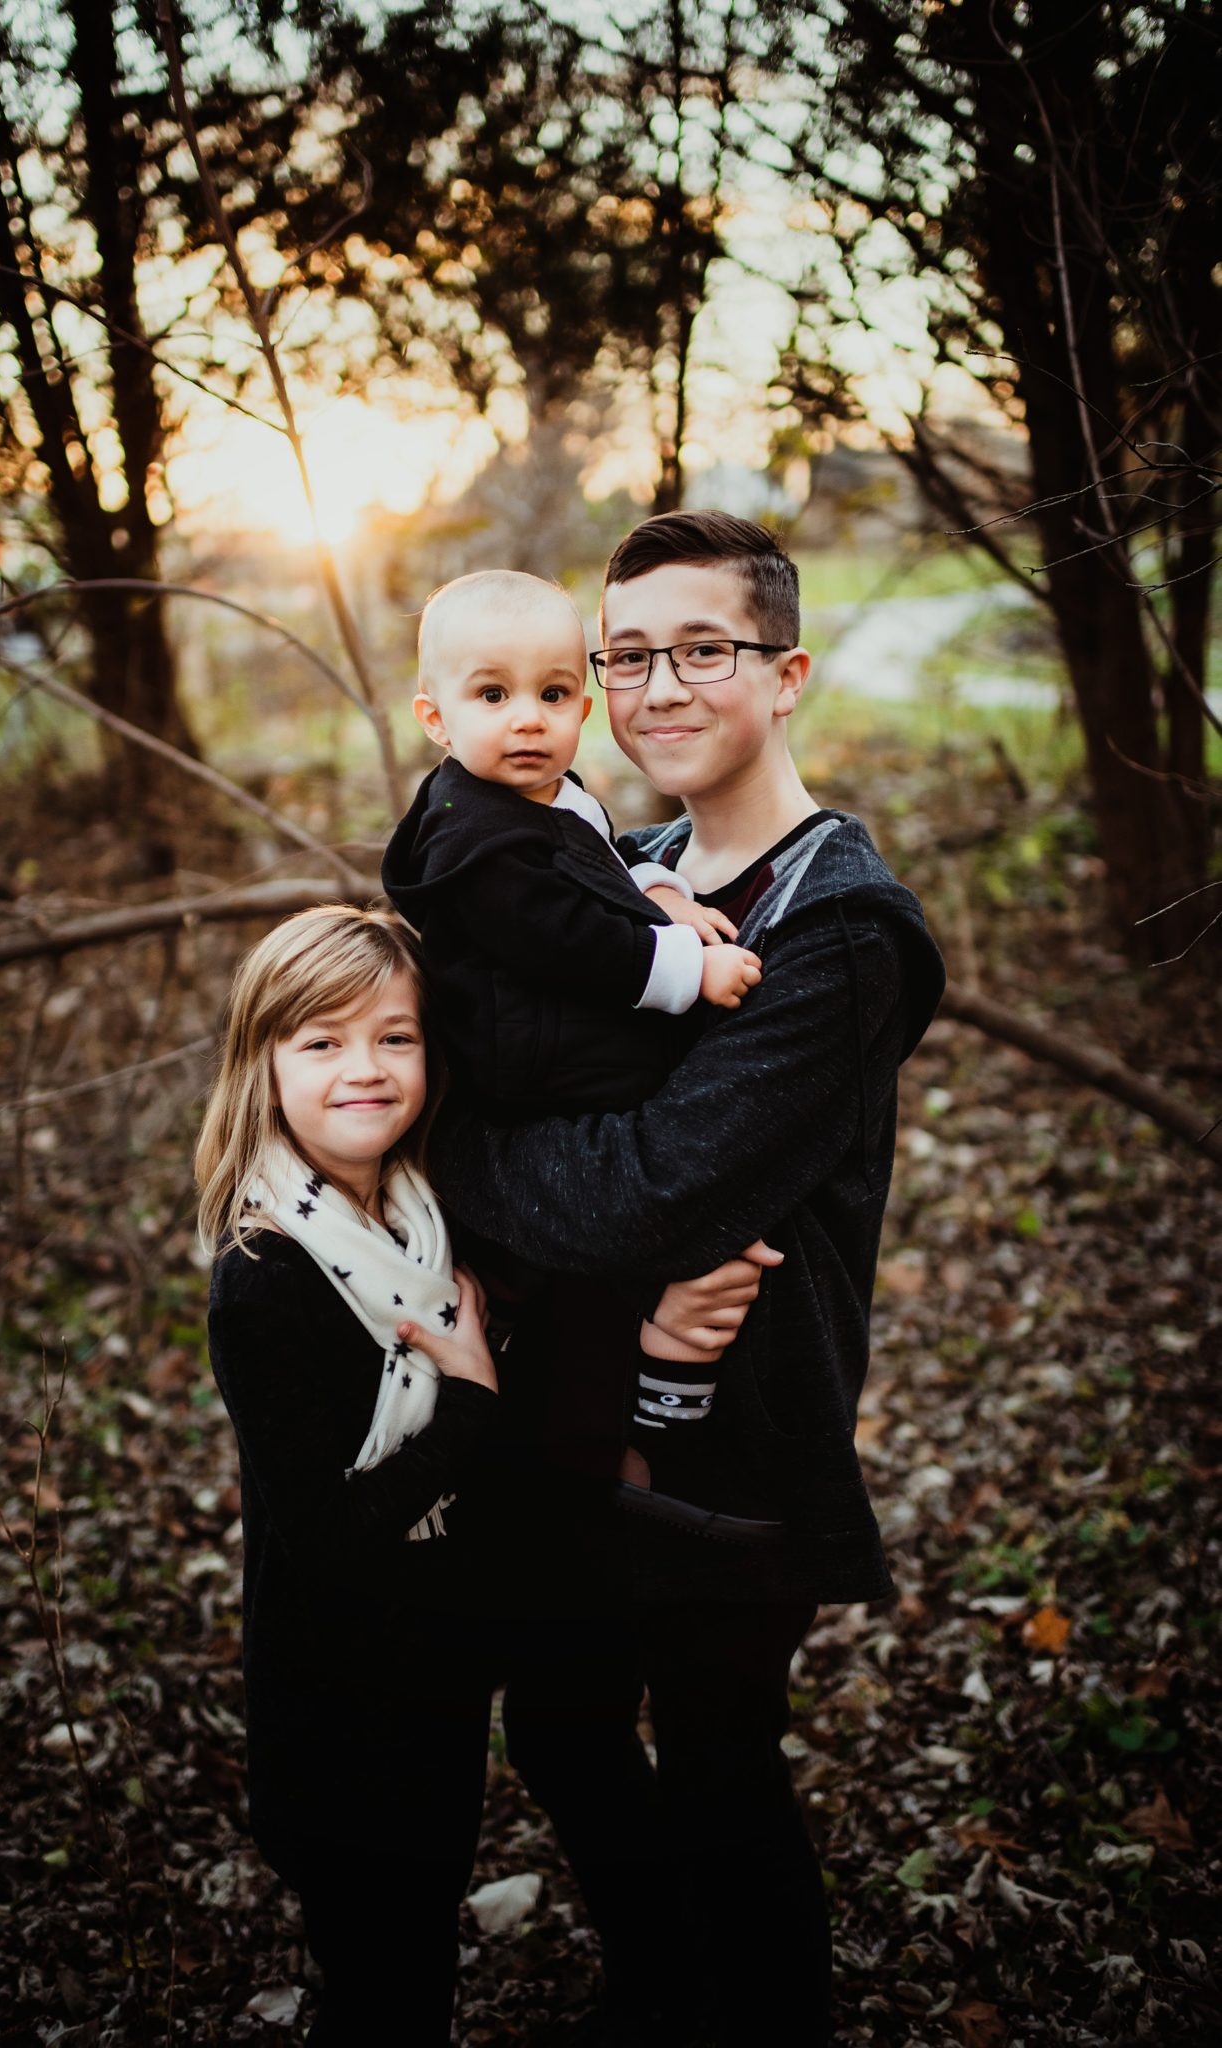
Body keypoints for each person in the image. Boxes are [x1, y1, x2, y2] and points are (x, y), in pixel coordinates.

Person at [427, 511, 948, 2046]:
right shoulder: (619, 861)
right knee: (569, 1727)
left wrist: (440, 1165)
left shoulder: (838, 926)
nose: (655, 685)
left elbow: (649, 1185)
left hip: (737, 1441)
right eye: (625, 655)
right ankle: (661, 1989)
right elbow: (478, 1064)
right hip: (582, 1404)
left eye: (699, 650)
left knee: (717, 1758)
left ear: (782, 674)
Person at [382, 567, 771, 1494]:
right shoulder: (476, 840)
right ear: (435, 718)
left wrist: (656, 886)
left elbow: (590, 861)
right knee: (589, 1280)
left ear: (584, 705)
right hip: (535, 1074)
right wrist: (687, 968)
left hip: (559, 1048)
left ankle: (652, 1376)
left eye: (552, 695)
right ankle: (628, 1420)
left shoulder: (544, 792)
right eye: (493, 695)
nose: (527, 718)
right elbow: (572, 942)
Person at [194, 906, 503, 2047]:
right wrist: (467, 1405)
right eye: (319, 1042)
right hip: (334, 1713)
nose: (363, 1068)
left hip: (434, 1680)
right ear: (262, 1066)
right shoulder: (265, 1274)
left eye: (393, 1037)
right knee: (381, 1988)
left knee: (420, 1957)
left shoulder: (421, 1211)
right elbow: (324, 1536)